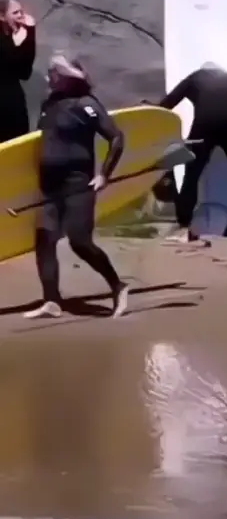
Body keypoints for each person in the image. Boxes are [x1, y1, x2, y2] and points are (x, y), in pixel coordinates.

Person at [24, 53, 129, 319]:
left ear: (65, 76)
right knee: (44, 239)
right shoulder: (49, 103)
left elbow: (116, 138)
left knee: (79, 241)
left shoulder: (86, 104)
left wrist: (104, 174)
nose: (49, 77)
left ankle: (118, 286)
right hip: (48, 183)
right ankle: (52, 300)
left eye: (53, 73)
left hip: (77, 182)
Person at [158, 63, 227, 241]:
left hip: (204, 127)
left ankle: (184, 224)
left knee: (191, 177)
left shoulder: (195, 78)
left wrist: (152, 111)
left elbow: (168, 103)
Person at [0, 0, 36, 142]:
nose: (21, 16)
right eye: (15, 13)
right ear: (2, 16)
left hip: (13, 106)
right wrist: (17, 42)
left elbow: (24, 72)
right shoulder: (8, 40)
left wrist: (30, 35)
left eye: (21, 12)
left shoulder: (16, 37)